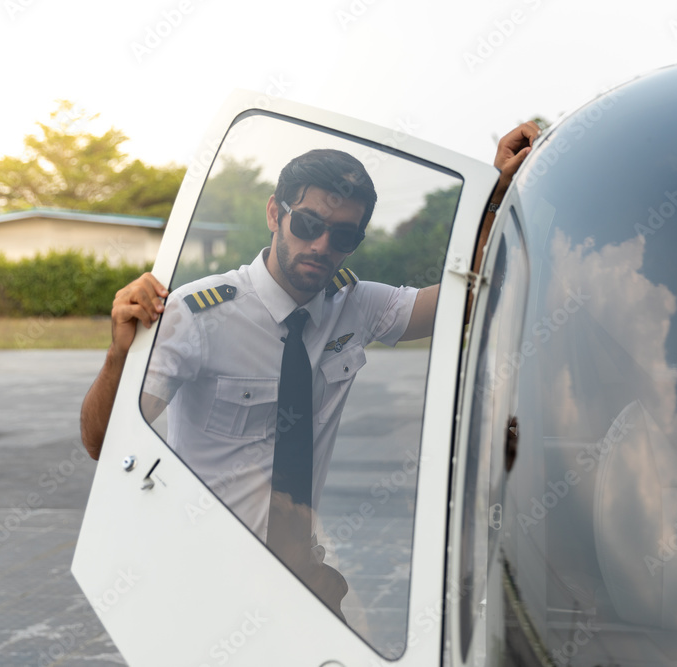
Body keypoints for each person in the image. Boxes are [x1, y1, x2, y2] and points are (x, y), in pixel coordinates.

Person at [79, 122, 538, 614]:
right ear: (276, 214)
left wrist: (496, 196)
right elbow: (101, 443)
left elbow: (465, 299)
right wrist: (117, 357)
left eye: (343, 235)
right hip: (205, 573)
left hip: (300, 576)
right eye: (308, 224)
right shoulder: (196, 315)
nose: (321, 246)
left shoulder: (353, 305)